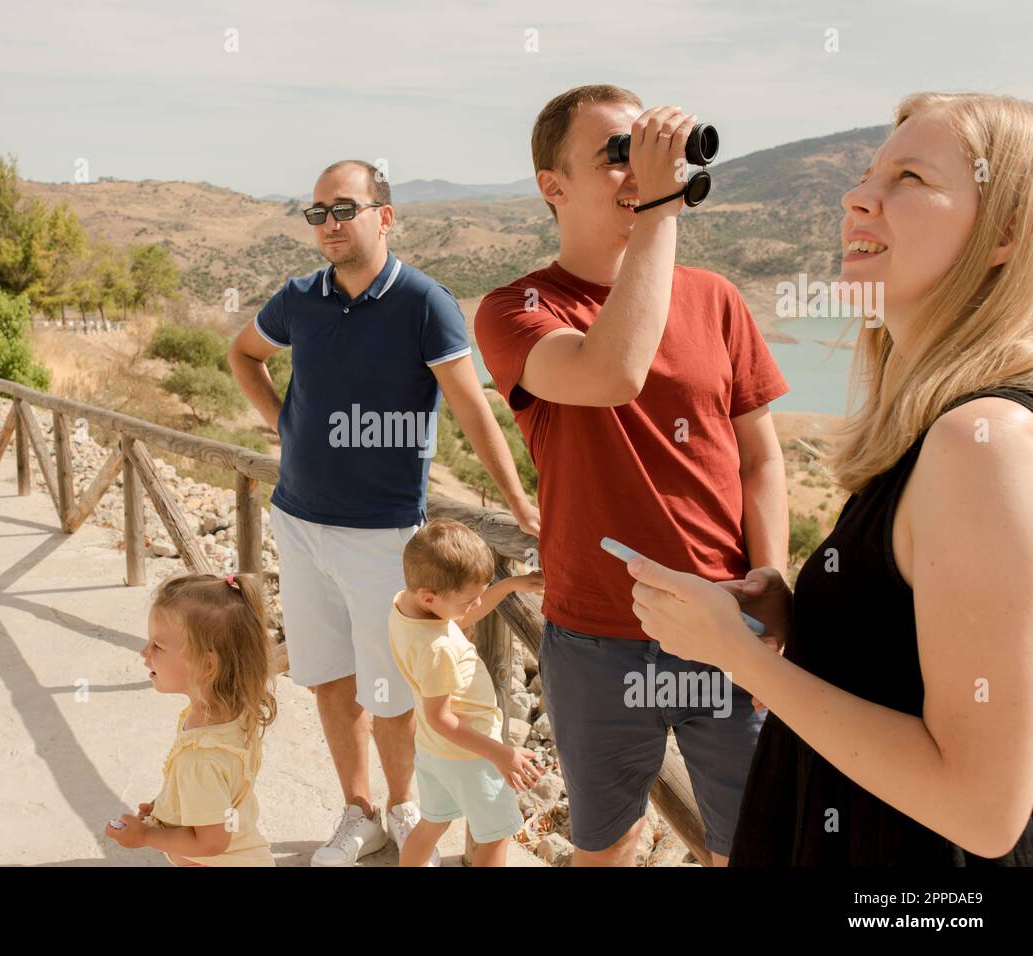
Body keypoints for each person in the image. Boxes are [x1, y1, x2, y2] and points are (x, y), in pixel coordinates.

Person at [623, 91, 1033, 865]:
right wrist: (803, 618)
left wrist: (734, 656)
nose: (857, 196)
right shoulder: (948, 429)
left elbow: (983, 812)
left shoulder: (983, 443)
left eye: (909, 177)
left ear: (1006, 231)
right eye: (869, 173)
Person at [474, 85, 790, 866]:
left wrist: (772, 571)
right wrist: (660, 215)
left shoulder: (715, 299)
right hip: (597, 639)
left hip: (728, 628)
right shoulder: (516, 309)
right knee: (606, 847)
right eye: (618, 153)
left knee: (750, 846)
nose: (642, 168)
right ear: (554, 186)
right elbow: (612, 370)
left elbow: (760, 457)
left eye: (647, 149)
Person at [228, 160, 540, 866]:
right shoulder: (299, 299)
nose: (330, 224)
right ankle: (359, 809)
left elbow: (470, 407)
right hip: (298, 520)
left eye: (345, 208)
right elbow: (244, 355)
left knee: (391, 685)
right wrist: (287, 427)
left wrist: (520, 500)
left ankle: (405, 809)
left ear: (385, 216)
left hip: (384, 534)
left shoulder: (426, 303)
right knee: (330, 674)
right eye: (318, 214)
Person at [388, 518, 546, 866]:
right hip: (470, 756)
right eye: (469, 600)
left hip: (433, 752)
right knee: (496, 836)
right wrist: (500, 753)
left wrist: (510, 585)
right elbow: (440, 717)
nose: (474, 607)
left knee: (431, 824)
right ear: (430, 597)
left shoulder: (406, 607)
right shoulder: (438, 649)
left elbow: (453, 618)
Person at [105, 572, 278, 866]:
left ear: (207, 664)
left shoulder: (200, 758)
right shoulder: (229, 716)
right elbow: (222, 792)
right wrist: (170, 806)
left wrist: (145, 836)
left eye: (158, 646)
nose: (144, 652)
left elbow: (211, 842)